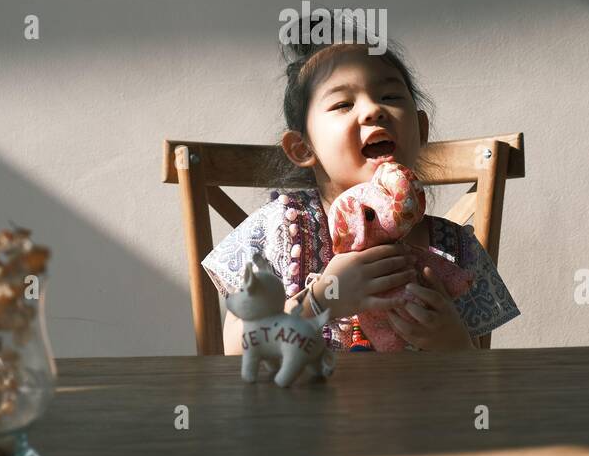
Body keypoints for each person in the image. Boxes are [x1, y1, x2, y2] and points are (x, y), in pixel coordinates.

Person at [202, 33, 521, 354]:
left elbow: (478, 367)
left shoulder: (452, 250)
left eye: (391, 97)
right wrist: (319, 299)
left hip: (420, 404)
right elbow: (236, 346)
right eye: (342, 103)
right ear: (302, 147)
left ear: (421, 130)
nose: (373, 110)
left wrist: (450, 338)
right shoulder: (279, 230)